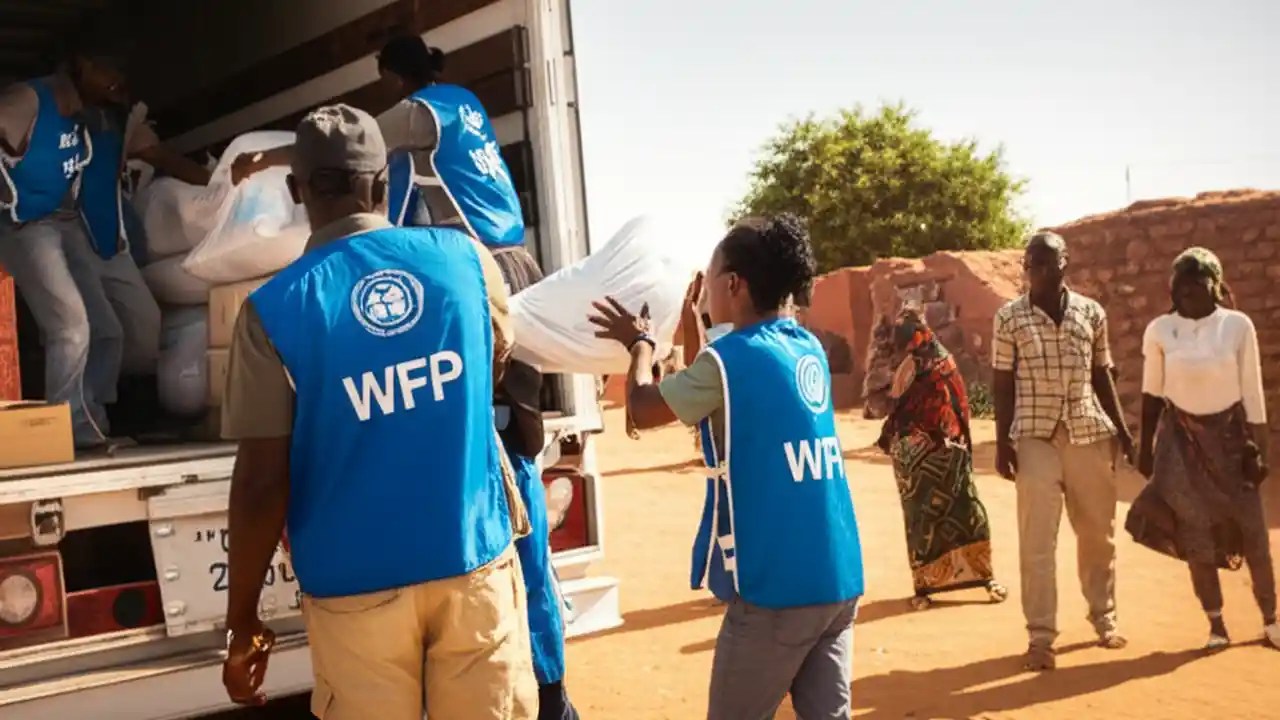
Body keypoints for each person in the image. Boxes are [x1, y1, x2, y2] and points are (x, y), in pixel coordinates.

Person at [218, 104, 537, 720]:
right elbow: (491, 362)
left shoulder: (273, 310)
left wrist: (243, 623)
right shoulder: (468, 261)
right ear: (386, 181)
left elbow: (260, 482)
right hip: (471, 565)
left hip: (352, 587)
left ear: (295, 190)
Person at [588, 214, 865, 720]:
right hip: (836, 579)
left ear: (734, 284)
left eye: (712, 279)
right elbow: (717, 387)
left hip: (776, 589)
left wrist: (641, 345)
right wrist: (698, 323)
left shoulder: (733, 360)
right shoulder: (806, 348)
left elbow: (644, 408)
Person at [991, 230, 1136, 671]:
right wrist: (1002, 441)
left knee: (1097, 534)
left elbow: (1102, 374)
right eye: (1029, 263)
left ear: (1064, 264)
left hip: (1088, 432)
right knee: (1037, 541)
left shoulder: (1091, 314)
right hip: (1035, 436)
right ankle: (1041, 637)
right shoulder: (1009, 318)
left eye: (1044, 261)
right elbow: (1002, 382)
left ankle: (1104, 618)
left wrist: (1125, 431)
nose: (1035, 269)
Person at [1136, 247, 1278, 651]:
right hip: (1181, 445)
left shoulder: (1237, 326)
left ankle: (1270, 619)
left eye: (1198, 283)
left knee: (1252, 532)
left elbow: (1252, 391)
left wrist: (1260, 448)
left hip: (1233, 440)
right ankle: (1216, 624)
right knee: (1196, 533)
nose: (1189, 292)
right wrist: (1145, 451)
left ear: (1215, 285)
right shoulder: (1160, 331)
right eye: (1181, 285)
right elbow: (1150, 395)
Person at [876, 306, 1007, 610]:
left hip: (949, 450)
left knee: (968, 510)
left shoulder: (943, 363)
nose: (908, 347)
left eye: (910, 340)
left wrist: (957, 440)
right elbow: (895, 410)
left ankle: (984, 575)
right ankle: (924, 585)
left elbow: (959, 406)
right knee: (921, 520)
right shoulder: (908, 367)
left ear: (922, 335)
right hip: (913, 457)